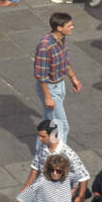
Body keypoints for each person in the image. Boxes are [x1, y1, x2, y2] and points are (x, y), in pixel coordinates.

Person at [32, 13, 82, 145]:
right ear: (59, 28)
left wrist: (73, 77)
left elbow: (65, 61)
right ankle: (57, 156)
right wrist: (48, 96)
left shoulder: (61, 40)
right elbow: (40, 75)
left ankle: (42, 154)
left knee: (48, 124)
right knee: (61, 126)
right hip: (49, 88)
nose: (73, 27)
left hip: (59, 84)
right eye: (69, 25)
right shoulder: (45, 46)